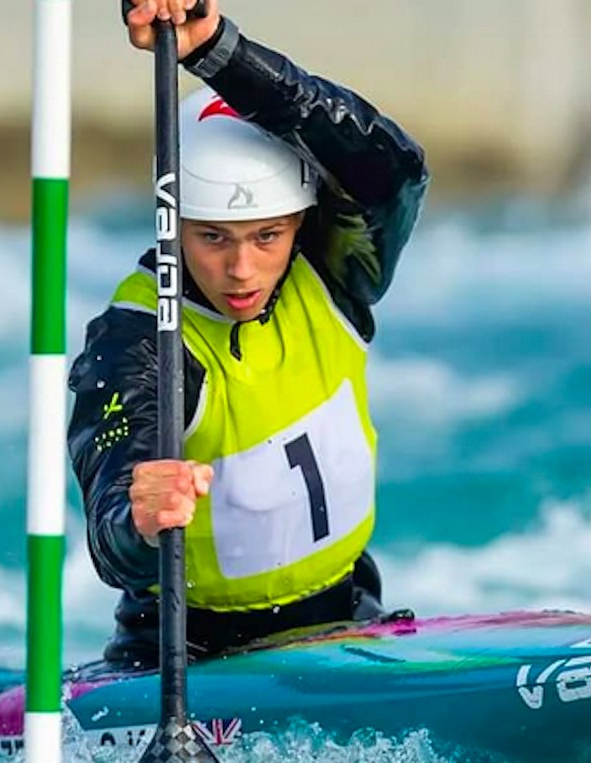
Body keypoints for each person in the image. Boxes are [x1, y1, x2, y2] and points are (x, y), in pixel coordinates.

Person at [67, 0, 429, 669]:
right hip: (188, 656)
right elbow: (110, 529)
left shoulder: (334, 272)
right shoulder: (137, 342)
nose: (241, 269)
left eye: (266, 236)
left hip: (349, 624)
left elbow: (394, 169)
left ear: (299, 220)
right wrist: (138, 517)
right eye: (213, 238)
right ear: (173, 224)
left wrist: (218, 52)